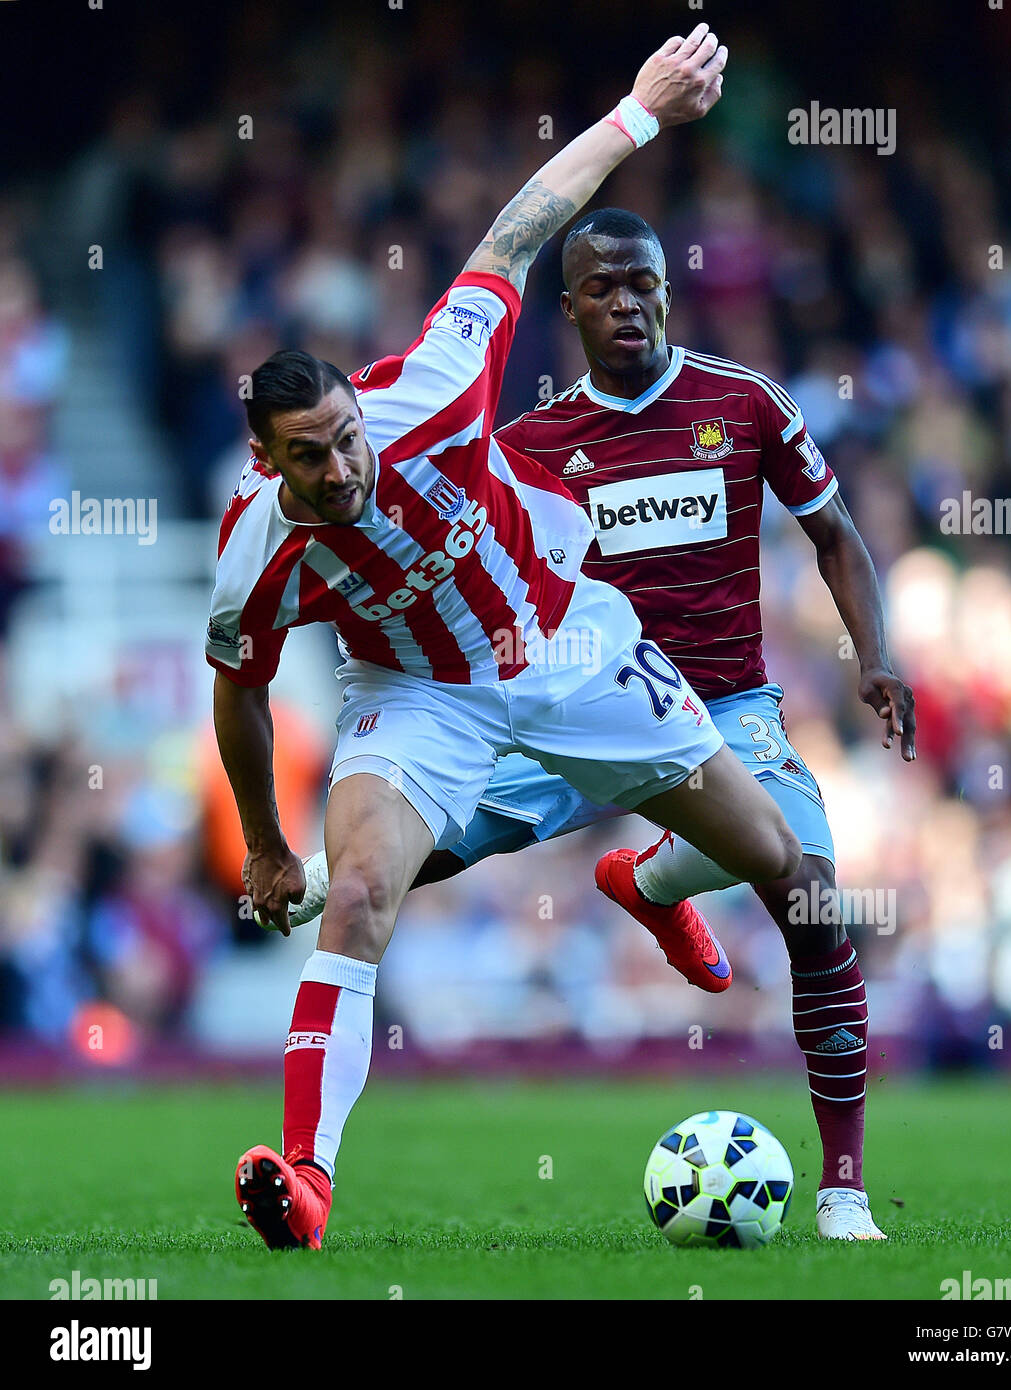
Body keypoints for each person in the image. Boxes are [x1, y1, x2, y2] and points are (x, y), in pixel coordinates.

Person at [209, 25, 800, 1252]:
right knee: (355, 893)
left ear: (362, 410)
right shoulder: (254, 552)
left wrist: (640, 111)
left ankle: (644, 880)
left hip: (567, 641)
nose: (343, 469)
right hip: (416, 689)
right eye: (309, 458)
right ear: (266, 460)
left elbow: (518, 230)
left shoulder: (433, 390)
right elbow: (240, 690)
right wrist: (264, 843)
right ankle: (307, 1180)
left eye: (347, 438)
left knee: (775, 855)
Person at [289, 205, 917, 1240]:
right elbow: (453, 570)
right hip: (578, 705)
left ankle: (842, 1190)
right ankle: (318, 882)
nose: (628, 303)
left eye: (643, 283)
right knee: (428, 849)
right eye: (603, 287)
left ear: (667, 290)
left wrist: (874, 656)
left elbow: (834, 534)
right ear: (570, 306)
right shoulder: (528, 448)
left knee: (809, 894)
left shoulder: (743, 402)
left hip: (721, 707)